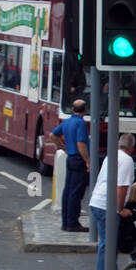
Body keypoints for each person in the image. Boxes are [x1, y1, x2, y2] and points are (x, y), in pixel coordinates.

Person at [89, 133, 136, 270]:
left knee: (106, 244)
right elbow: (121, 186)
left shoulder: (112, 155)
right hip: (106, 206)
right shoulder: (127, 160)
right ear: (132, 147)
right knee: (108, 245)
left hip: (97, 202)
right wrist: (120, 208)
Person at [51, 99, 91, 232]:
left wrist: (64, 148)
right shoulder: (80, 123)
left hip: (70, 158)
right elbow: (81, 144)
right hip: (79, 159)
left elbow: (53, 135)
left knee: (67, 191)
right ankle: (73, 223)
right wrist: (88, 161)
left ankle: (66, 222)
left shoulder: (67, 122)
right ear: (85, 109)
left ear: (73, 109)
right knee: (76, 193)